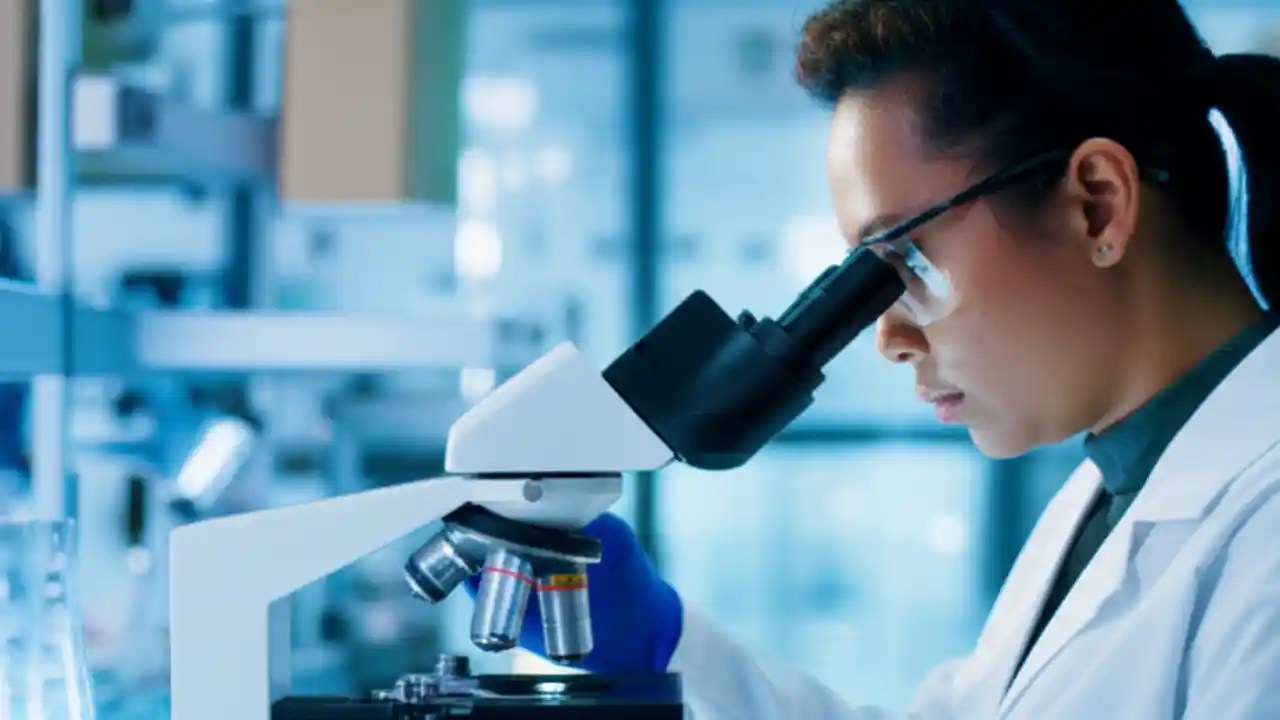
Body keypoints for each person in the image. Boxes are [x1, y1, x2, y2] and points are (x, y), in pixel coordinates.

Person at [480, 0, 1280, 716]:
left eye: (905, 261)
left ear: (1096, 201)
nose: (889, 337)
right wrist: (664, 646)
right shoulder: (1105, 498)